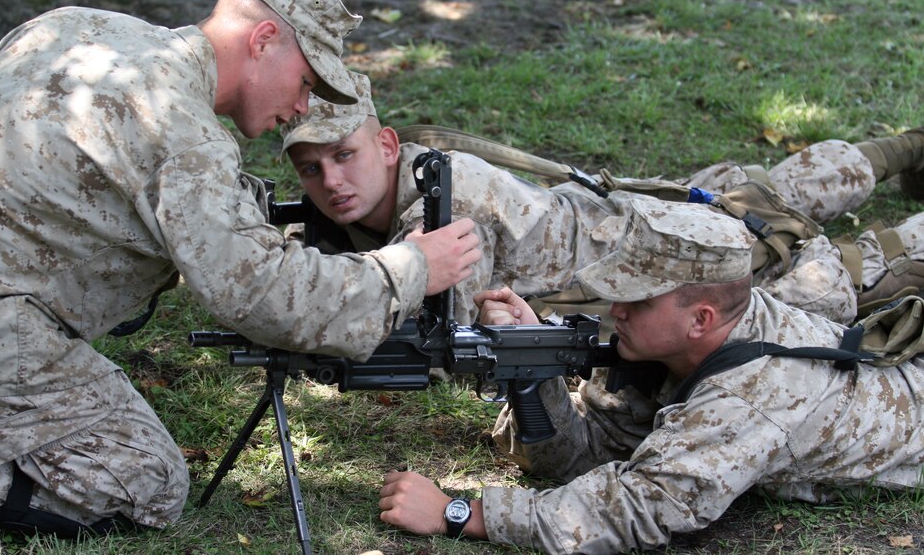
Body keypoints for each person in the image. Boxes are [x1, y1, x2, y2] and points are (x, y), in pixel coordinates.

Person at [0, 0, 481, 535]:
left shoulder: (79, 29)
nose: (304, 107)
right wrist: (409, 269)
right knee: (145, 481)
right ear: (263, 40)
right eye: (307, 81)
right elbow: (265, 296)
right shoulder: (182, 133)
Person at [376, 197, 924, 554]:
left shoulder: (749, 399)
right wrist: (532, 352)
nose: (616, 310)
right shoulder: (673, 343)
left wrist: (461, 513)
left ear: (700, 320)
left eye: (637, 300)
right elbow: (580, 455)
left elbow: (639, 509)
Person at [282, 71, 924, 325]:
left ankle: (907, 178)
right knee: (764, 191)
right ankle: (907, 148)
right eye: (311, 169)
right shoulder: (400, 180)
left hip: (647, 256)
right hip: (611, 220)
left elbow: (439, 328)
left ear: (388, 145)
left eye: (346, 156)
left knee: (822, 266)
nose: (332, 182)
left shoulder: (443, 209)